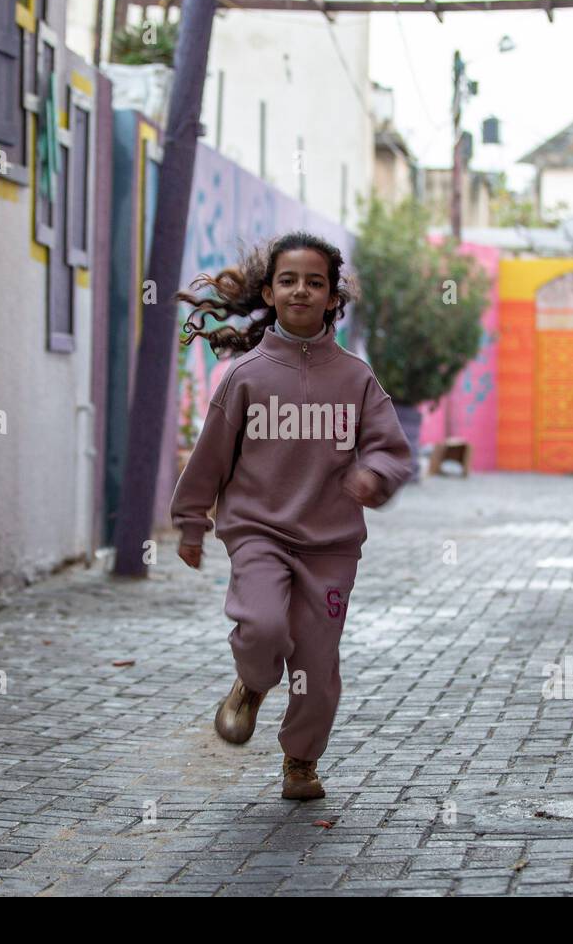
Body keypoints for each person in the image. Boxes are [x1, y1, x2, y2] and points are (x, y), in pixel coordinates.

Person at [170, 231, 415, 800]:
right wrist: (190, 522)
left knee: (316, 660)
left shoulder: (357, 378)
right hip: (259, 532)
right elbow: (210, 458)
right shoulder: (245, 376)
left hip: (330, 546)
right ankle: (252, 684)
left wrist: (374, 475)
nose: (301, 290)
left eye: (315, 282)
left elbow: (391, 448)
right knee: (262, 627)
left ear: (332, 297)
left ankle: (301, 760)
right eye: (288, 280)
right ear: (269, 291)